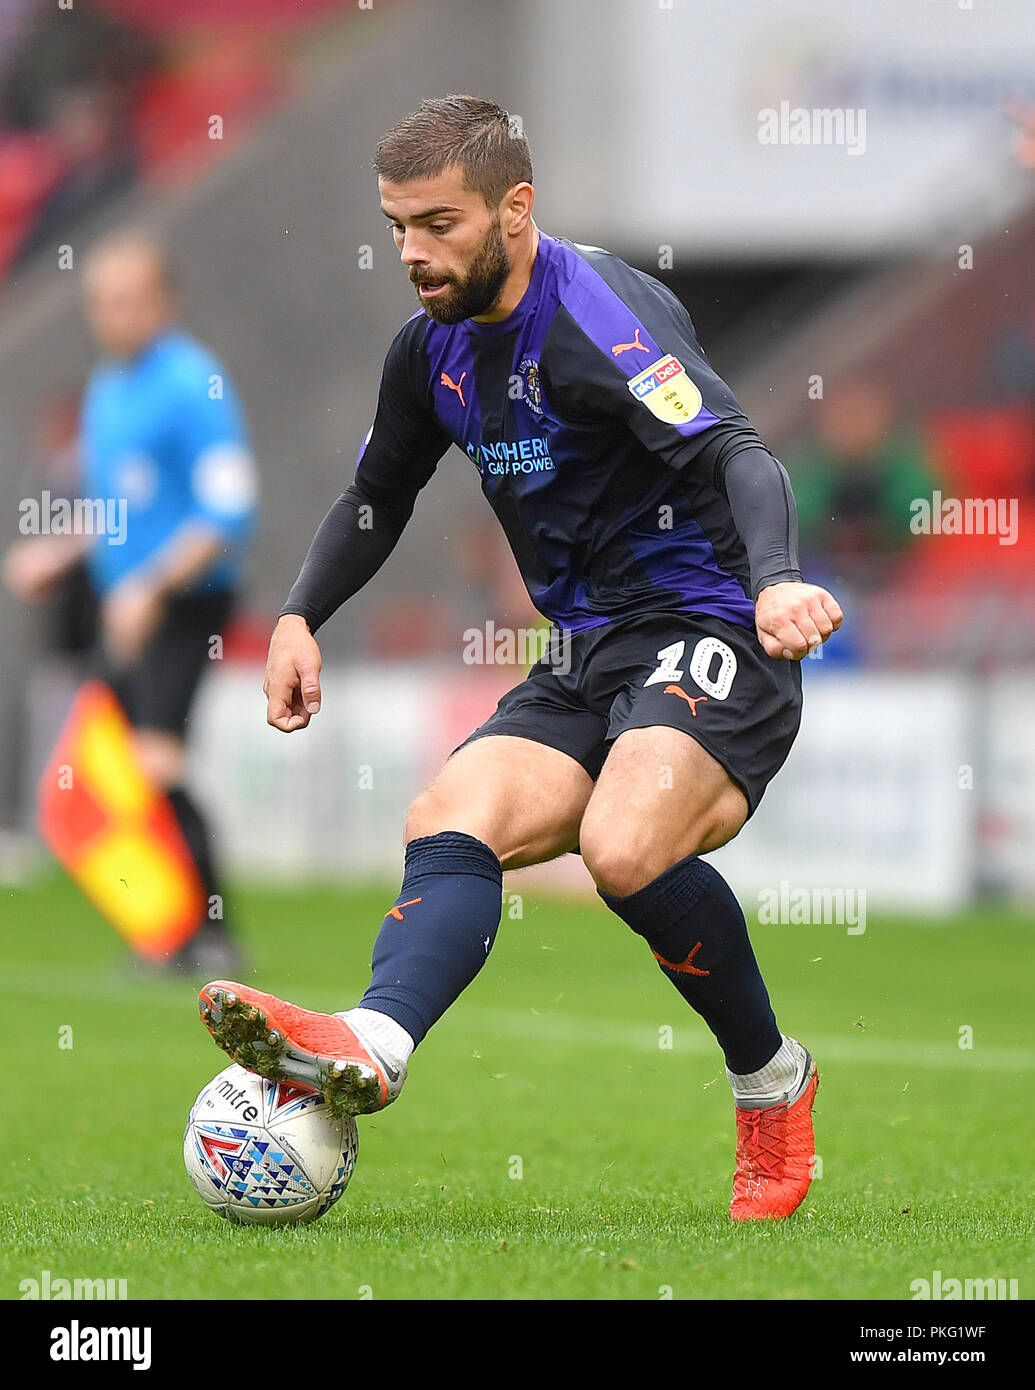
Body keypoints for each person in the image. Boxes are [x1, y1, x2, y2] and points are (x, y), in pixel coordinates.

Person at [197, 96, 842, 1221]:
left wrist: (777, 575)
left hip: (710, 623)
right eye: (397, 225)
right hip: (587, 650)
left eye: (437, 224)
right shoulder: (430, 349)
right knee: (448, 816)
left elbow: (736, 450)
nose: (411, 251)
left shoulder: (595, 312)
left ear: (516, 207)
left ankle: (771, 1082)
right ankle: (376, 1042)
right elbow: (376, 493)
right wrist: (301, 614)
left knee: (623, 847)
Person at [7, 229, 259, 973]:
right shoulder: (107, 387)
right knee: (102, 765)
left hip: (185, 606)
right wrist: (60, 551)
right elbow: (117, 505)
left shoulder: (192, 383)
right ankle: (163, 925)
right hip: (125, 607)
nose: (113, 314)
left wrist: (152, 585)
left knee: (154, 761)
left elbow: (229, 514)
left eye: (129, 299)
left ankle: (210, 929)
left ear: (163, 301)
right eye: (102, 301)